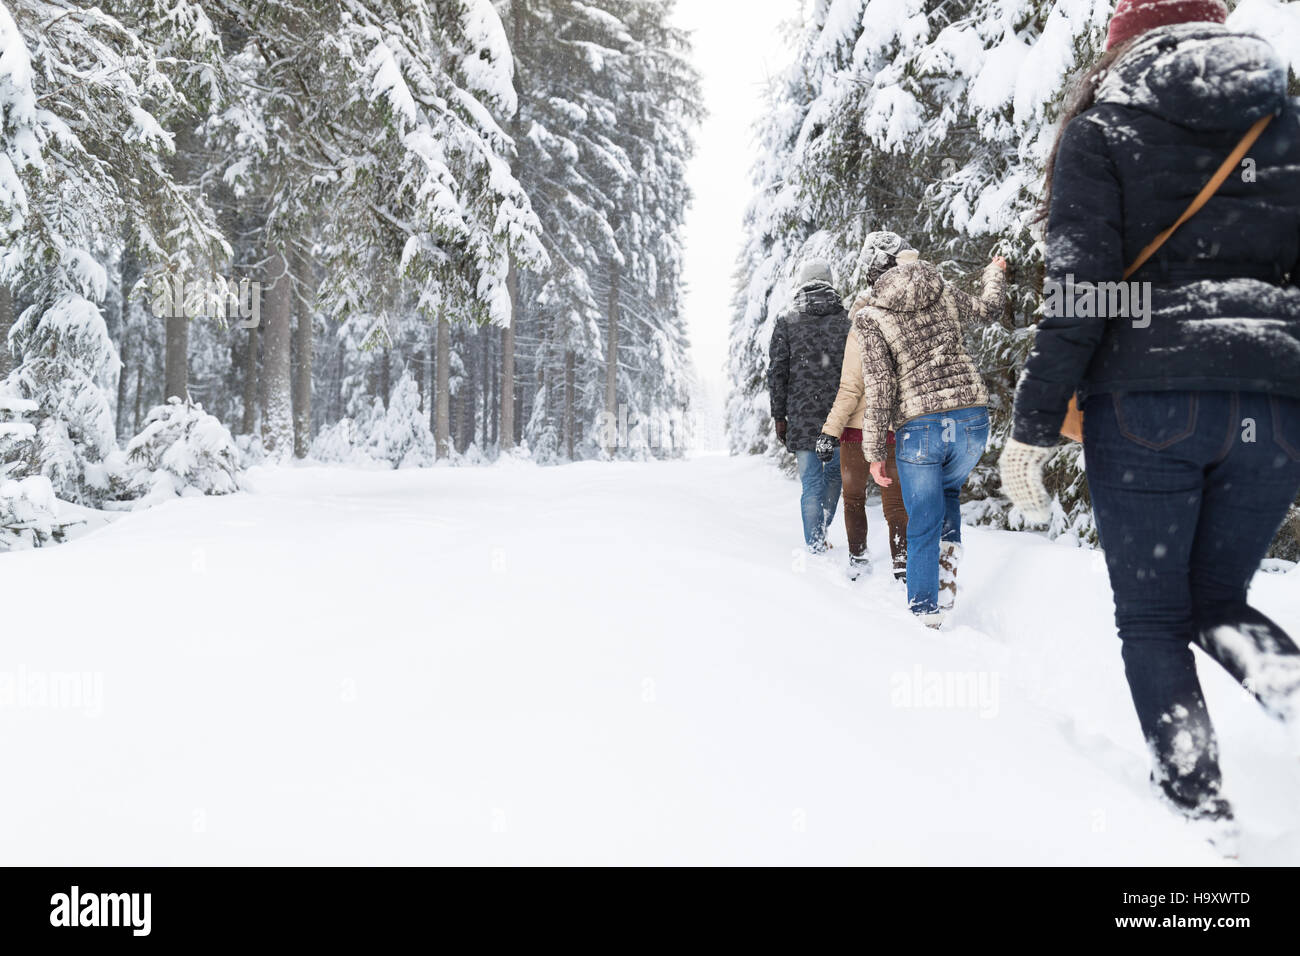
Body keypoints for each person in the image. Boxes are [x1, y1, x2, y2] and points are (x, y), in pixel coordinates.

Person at [999, 0, 1300, 846]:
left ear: (1124, 41)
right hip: (1275, 409)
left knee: (1156, 619)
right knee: (1217, 601)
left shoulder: (1104, 129)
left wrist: (1029, 425)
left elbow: (1083, 292)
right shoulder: (1285, 121)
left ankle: (1204, 815)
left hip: (1149, 406)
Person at [853, 246, 1006, 626]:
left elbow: (880, 386)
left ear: (873, 277)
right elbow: (989, 310)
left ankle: (925, 615)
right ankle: (945, 582)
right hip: (971, 417)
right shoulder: (940, 289)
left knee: (922, 518)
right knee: (948, 491)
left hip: (920, 426)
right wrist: (994, 273)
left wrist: (873, 452)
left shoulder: (870, 316)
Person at [816, 232, 913, 582]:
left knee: (854, 498)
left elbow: (851, 386)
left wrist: (830, 431)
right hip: (898, 428)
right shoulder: (912, 316)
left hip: (858, 431)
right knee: (896, 505)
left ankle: (859, 559)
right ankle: (902, 565)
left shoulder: (863, 321)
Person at [768, 258, 850, 553]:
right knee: (834, 476)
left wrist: (779, 416)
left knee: (810, 483)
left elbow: (777, 372)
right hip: (839, 415)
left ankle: (814, 543)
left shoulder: (787, 322)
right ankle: (821, 532)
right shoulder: (846, 321)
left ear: (803, 284)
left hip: (801, 415)